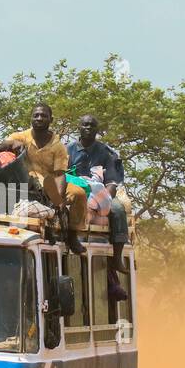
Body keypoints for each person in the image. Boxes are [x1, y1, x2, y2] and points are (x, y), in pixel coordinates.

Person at [0, 103, 87, 253]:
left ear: (51, 119)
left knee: (79, 193)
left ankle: (72, 234)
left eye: (43, 116)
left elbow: (60, 174)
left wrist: (58, 199)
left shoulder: (58, 146)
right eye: (36, 115)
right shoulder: (22, 136)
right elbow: (0, 147)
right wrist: (13, 144)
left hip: (51, 181)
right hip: (27, 179)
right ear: (31, 118)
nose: (39, 118)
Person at [66, 115, 129, 271]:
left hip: (100, 193)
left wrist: (102, 200)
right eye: (85, 125)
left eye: (92, 126)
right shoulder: (67, 150)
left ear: (97, 130)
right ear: (79, 127)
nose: (88, 128)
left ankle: (117, 257)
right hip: (75, 190)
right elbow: (60, 175)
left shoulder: (106, 153)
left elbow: (112, 183)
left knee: (118, 209)